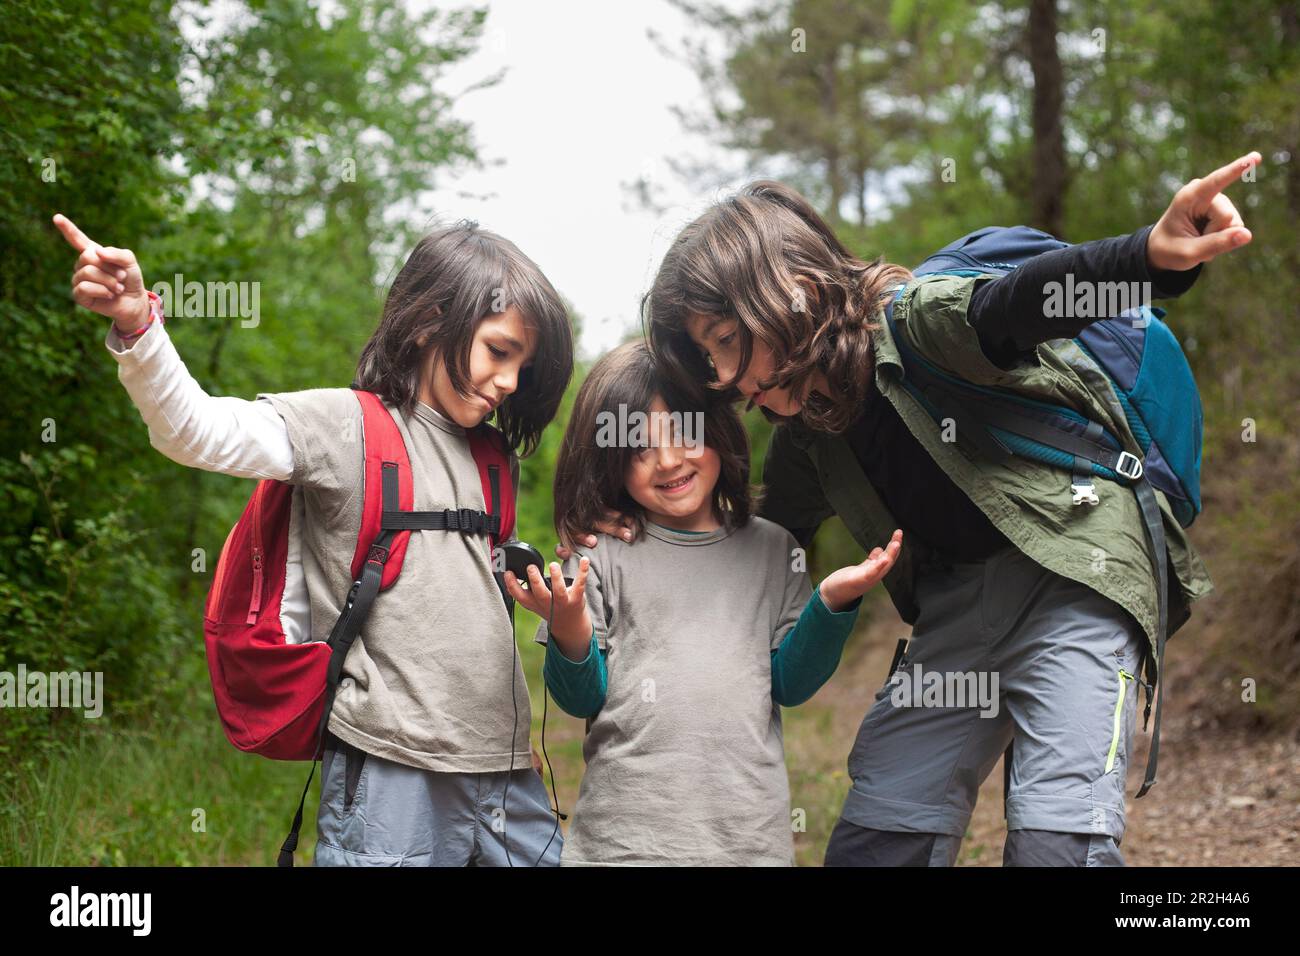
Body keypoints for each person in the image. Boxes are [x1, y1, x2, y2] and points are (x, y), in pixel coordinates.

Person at [563, 152, 1259, 866]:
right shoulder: (804, 437)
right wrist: (633, 527)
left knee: (1058, 840)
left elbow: (1017, 303)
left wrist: (1148, 259)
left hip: (1081, 567)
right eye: (710, 358)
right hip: (960, 606)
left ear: (790, 291)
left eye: (727, 342)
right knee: (881, 835)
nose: (725, 378)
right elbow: (751, 540)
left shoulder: (914, 323)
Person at [55, 212, 575, 866]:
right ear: (428, 322)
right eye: (500, 351)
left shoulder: (494, 458)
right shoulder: (345, 427)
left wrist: (504, 736)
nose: (508, 382)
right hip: (390, 769)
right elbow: (195, 431)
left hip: (501, 769)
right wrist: (138, 325)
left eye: (523, 367)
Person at [505, 341, 901, 865]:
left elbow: (789, 683)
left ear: (717, 427)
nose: (668, 461)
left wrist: (830, 604)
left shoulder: (775, 549)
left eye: (683, 434)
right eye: (639, 449)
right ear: (611, 464)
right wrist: (570, 626)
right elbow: (578, 699)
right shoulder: (600, 553)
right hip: (622, 847)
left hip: (747, 843)